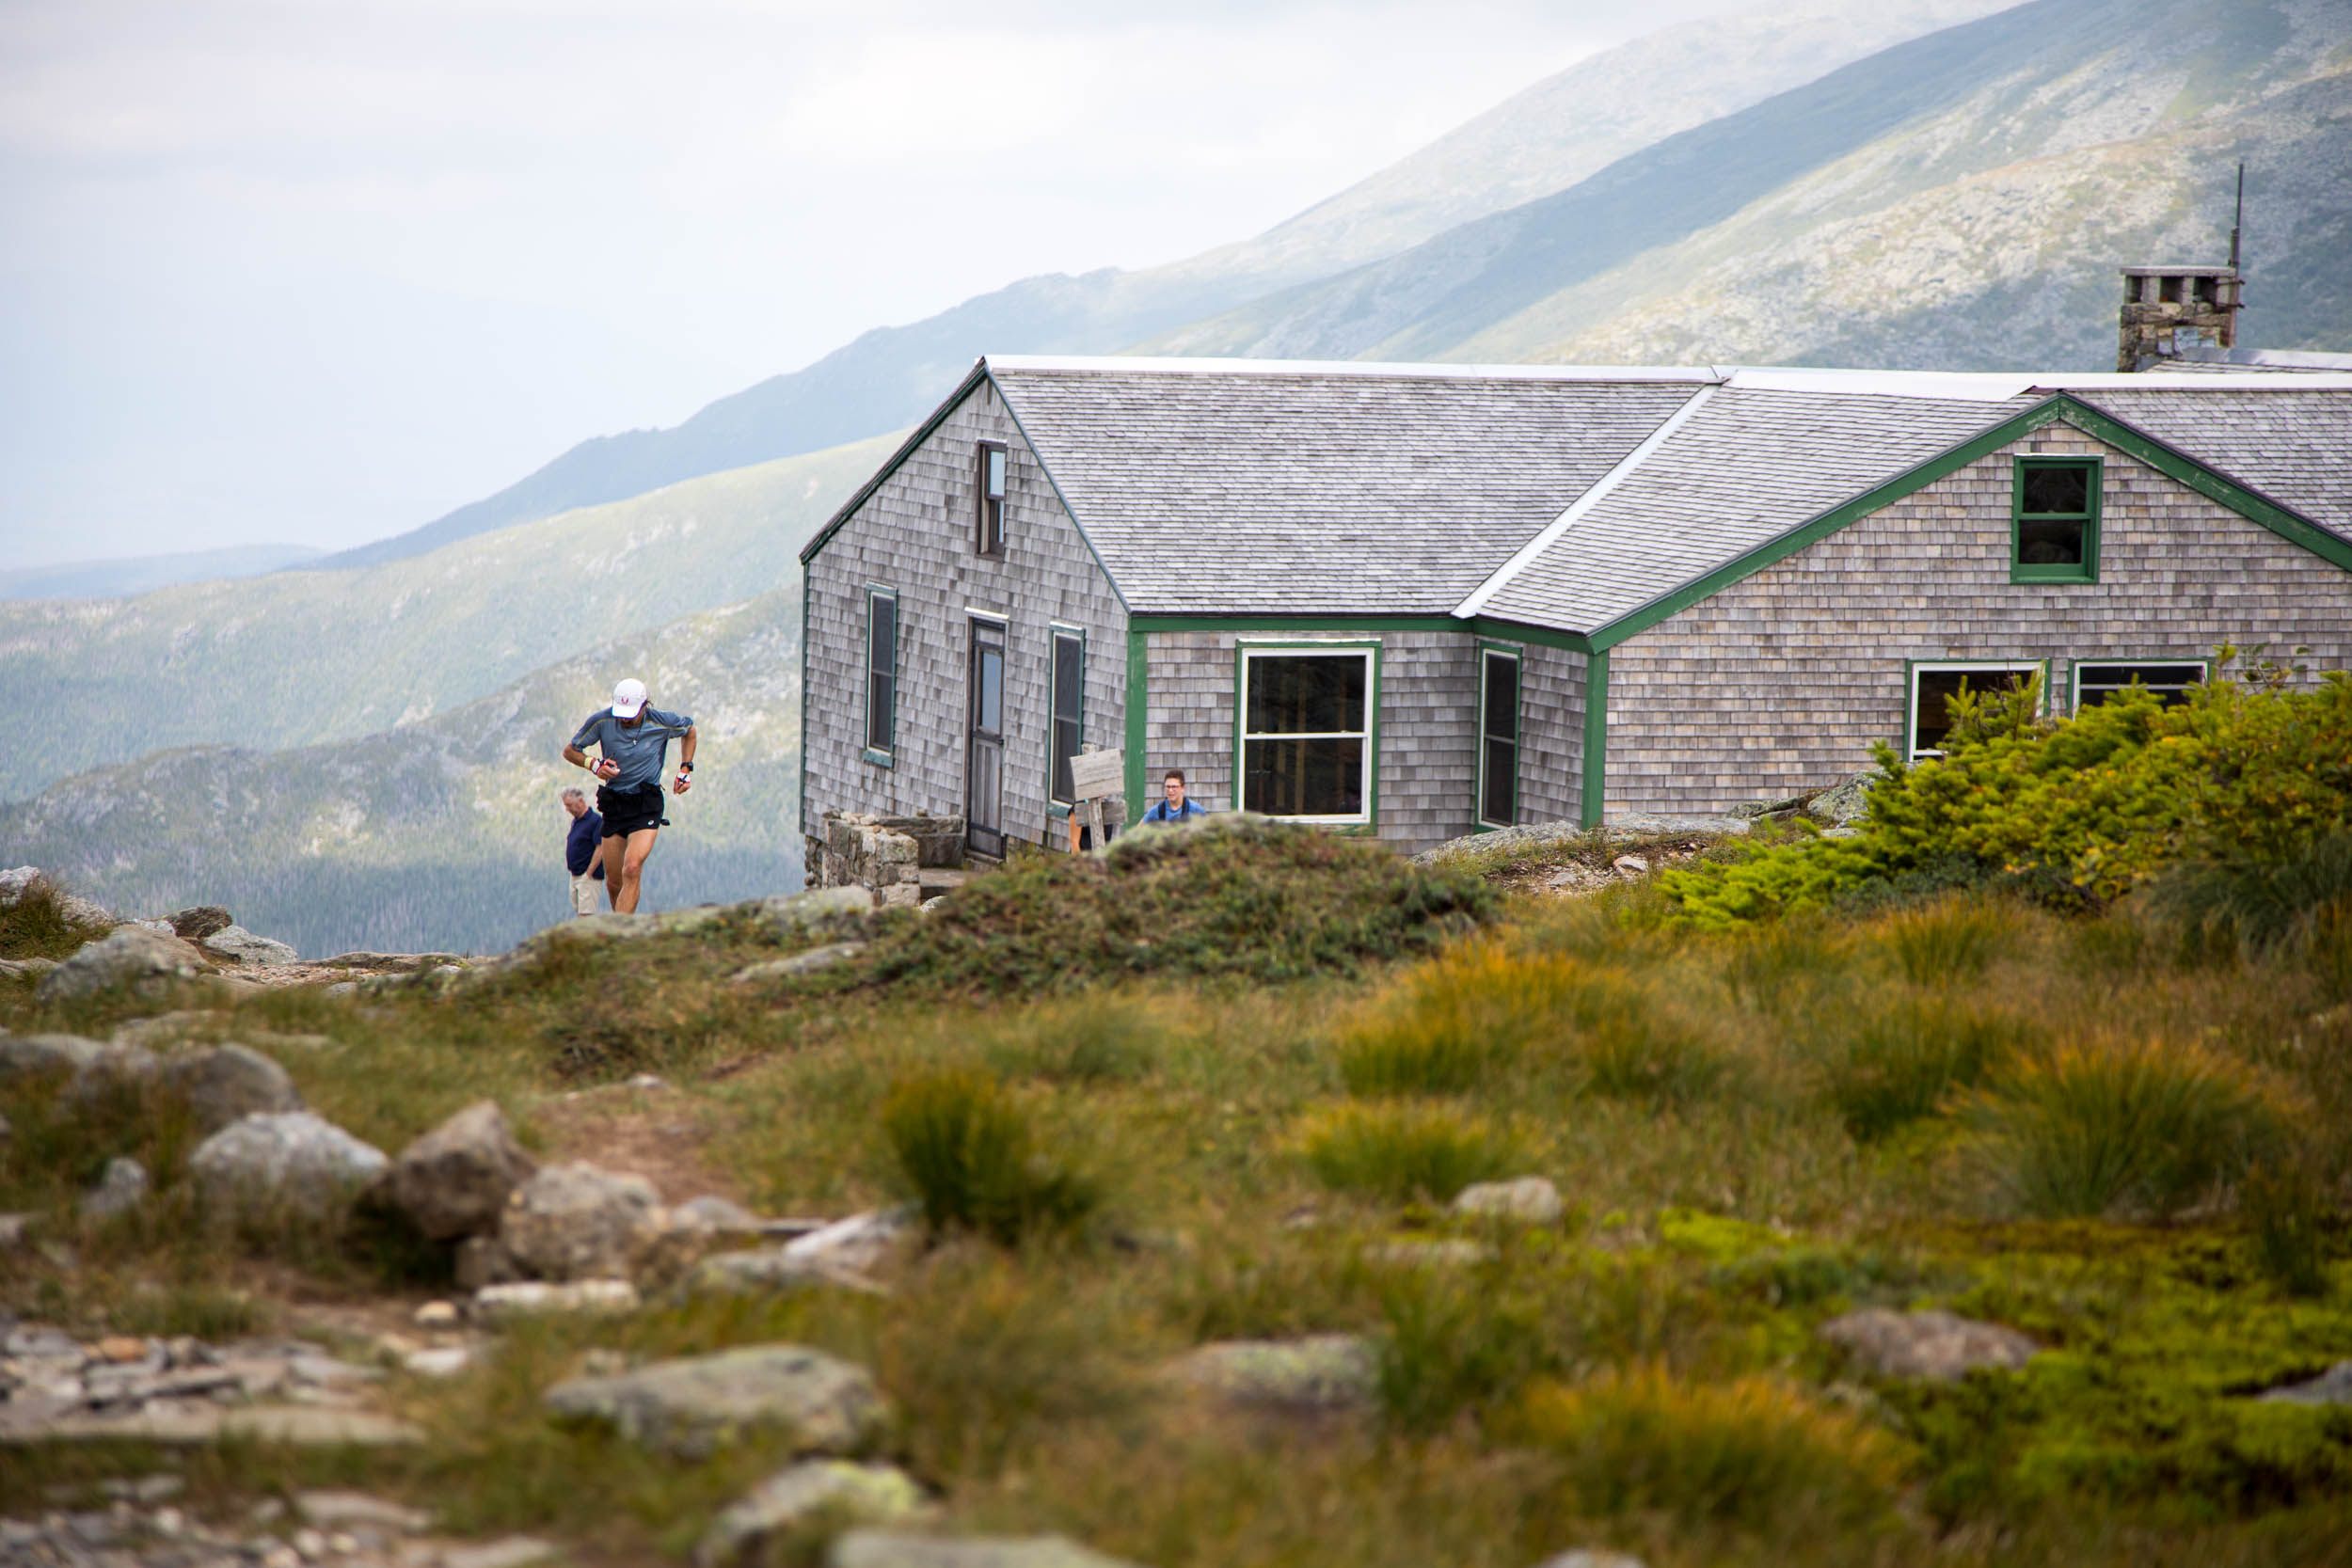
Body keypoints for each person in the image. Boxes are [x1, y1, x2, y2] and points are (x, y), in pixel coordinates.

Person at [562, 678, 695, 913]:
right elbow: (571, 750)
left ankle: (621, 936)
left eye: (630, 715)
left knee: (631, 868)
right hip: (614, 803)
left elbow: (690, 731)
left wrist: (685, 768)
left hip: (647, 802)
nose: (624, 719)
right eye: (621, 714)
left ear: (645, 706)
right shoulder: (602, 721)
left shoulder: (661, 721)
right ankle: (623, 929)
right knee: (614, 884)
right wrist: (594, 765)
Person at [561, 787, 604, 916]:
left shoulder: (595, 821)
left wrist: (589, 873)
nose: (568, 809)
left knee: (587, 915)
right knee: (580, 912)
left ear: (580, 801)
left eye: (569, 805)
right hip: (575, 874)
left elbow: (600, 848)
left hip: (588, 876)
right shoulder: (577, 821)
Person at [1139, 768, 1209, 825]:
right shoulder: (1157, 810)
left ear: (1183, 788)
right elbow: (1138, 830)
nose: (1170, 790)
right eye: (1168, 787)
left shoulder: (1195, 809)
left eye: (1174, 787)